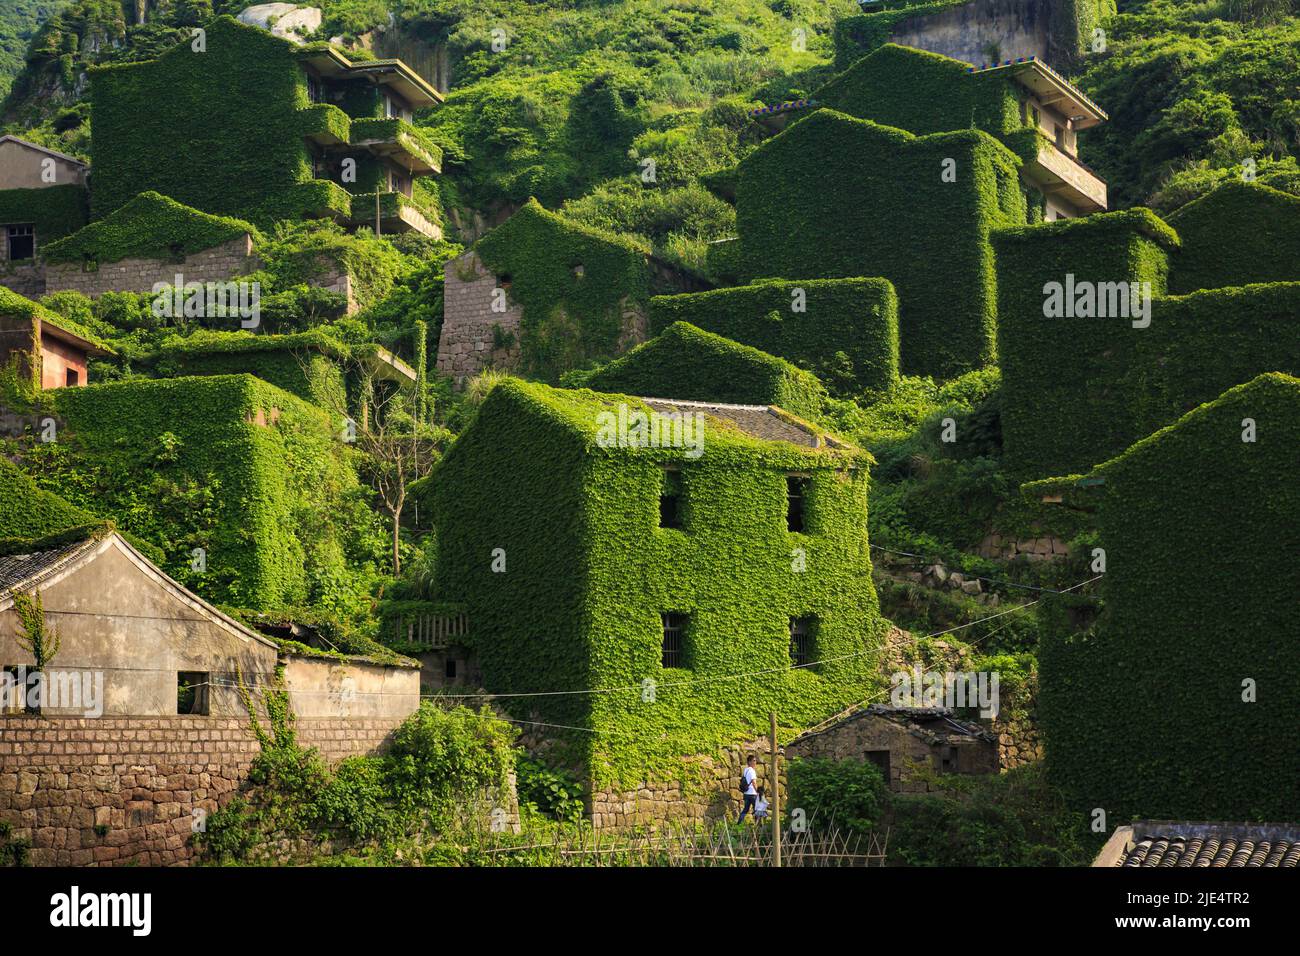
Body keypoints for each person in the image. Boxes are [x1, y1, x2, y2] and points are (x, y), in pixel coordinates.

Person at [737, 754, 759, 822]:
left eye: (755, 761)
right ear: (749, 762)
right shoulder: (752, 771)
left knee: (745, 809)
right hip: (752, 793)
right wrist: (758, 792)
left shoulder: (745, 770)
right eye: (754, 761)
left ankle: (739, 823)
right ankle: (758, 825)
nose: (755, 762)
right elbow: (754, 782)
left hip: (746, 793)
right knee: (757, 809)